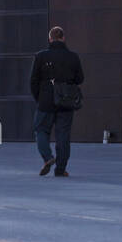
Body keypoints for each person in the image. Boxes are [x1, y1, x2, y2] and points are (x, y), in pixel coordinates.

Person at [30, 26, 84, 177]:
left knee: (40, 130)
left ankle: (48, 157)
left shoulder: (41, 56)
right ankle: (60, 169)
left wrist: (39, 98)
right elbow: (80, 79)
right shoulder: (73, 57)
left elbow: (33, 81)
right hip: (66, 102)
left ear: (50, 39)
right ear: (63, 38)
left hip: (45, 101)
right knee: (63, 135)